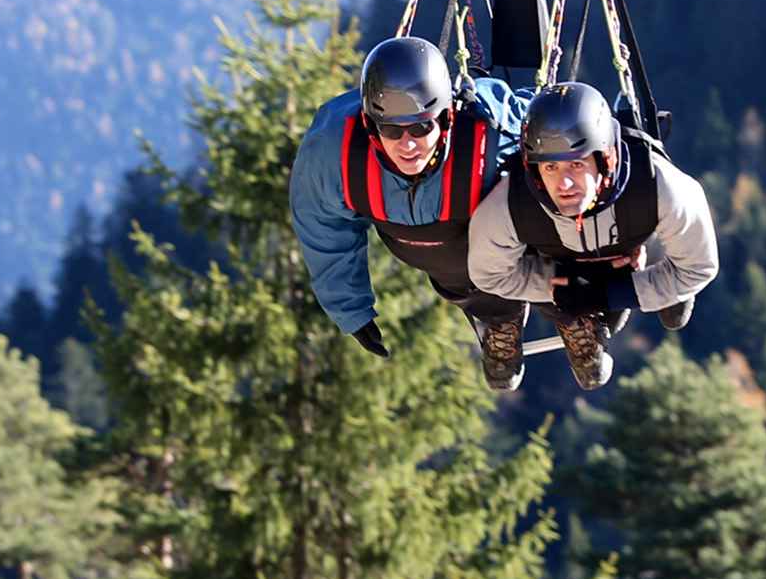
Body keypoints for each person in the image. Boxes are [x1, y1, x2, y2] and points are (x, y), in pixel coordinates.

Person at [290, 35, 533, 389]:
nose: (407, 144)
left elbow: (557, 149)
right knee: (463, 277)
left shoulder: (490, 137)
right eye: (392, 129)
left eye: (421, 127)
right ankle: (498, 320)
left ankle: (578, 306)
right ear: (372, 126)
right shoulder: (334, 153)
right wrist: (350, 310)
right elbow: (322, 229)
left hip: (511, 249)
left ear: (446, 118)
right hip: (443, 264)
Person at [468, 81, 718, 390]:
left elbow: (698, 267)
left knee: (674, 309)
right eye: (550, 168)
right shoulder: (511, 204)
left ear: (605, 159)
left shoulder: (661, 187)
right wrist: (558, 286)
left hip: (632, 243)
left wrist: (609, 293)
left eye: (576, 164)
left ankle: (660, 280)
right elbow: (488, 274)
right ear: (533, 168)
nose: (564, 183)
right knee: (597, 327)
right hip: (564, 258)